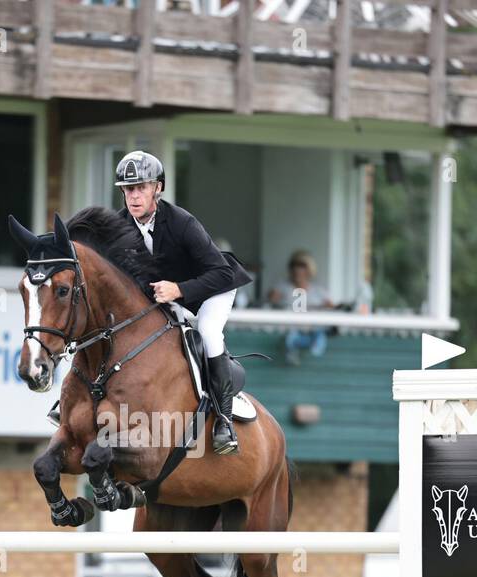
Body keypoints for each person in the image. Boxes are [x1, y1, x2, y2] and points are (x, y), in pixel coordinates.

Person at [113, 150, 254, 455]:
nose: (134, 196)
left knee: (207, 331)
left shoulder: (181, 222)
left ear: (158, 188)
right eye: (128, 189)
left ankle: (224, 421)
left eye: (141, 188)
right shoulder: (119, 227)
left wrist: (179, 289)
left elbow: (220, 272)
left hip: (212, 288)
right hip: (167, 296)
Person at [267, 250, 336, 312]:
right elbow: (269, 307)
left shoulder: (319, 290)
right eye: (293, 266)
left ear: (310, 269)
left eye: (302, 266)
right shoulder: (280, 288)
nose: (296, 270)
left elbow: (333, 309)